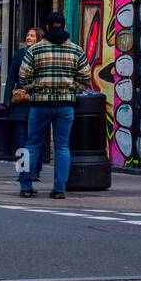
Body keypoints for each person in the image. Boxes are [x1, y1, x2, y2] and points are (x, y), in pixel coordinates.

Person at [17, 10, 91, 200]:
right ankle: (59, 188)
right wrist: (72, 88)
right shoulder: (76, 50)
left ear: (47, 27)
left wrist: (35, 89)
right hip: (65, 105)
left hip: (39, 105)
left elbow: (23, 77)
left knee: (31, 145)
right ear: (64, 27)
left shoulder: (35, 50)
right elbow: (85, 76)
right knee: (62, 147)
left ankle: (25, 185)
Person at [4, 27, 45, 173]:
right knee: (21, 140)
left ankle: (34, 171)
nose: (28, 37)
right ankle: (23, 172)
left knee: (34, 140)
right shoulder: (19, 54)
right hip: (20, 104)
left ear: (39, 38)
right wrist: (7, 98)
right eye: (27, 35)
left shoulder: (43, 54)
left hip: (37, 103)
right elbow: (11, 77)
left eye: (32, 36)